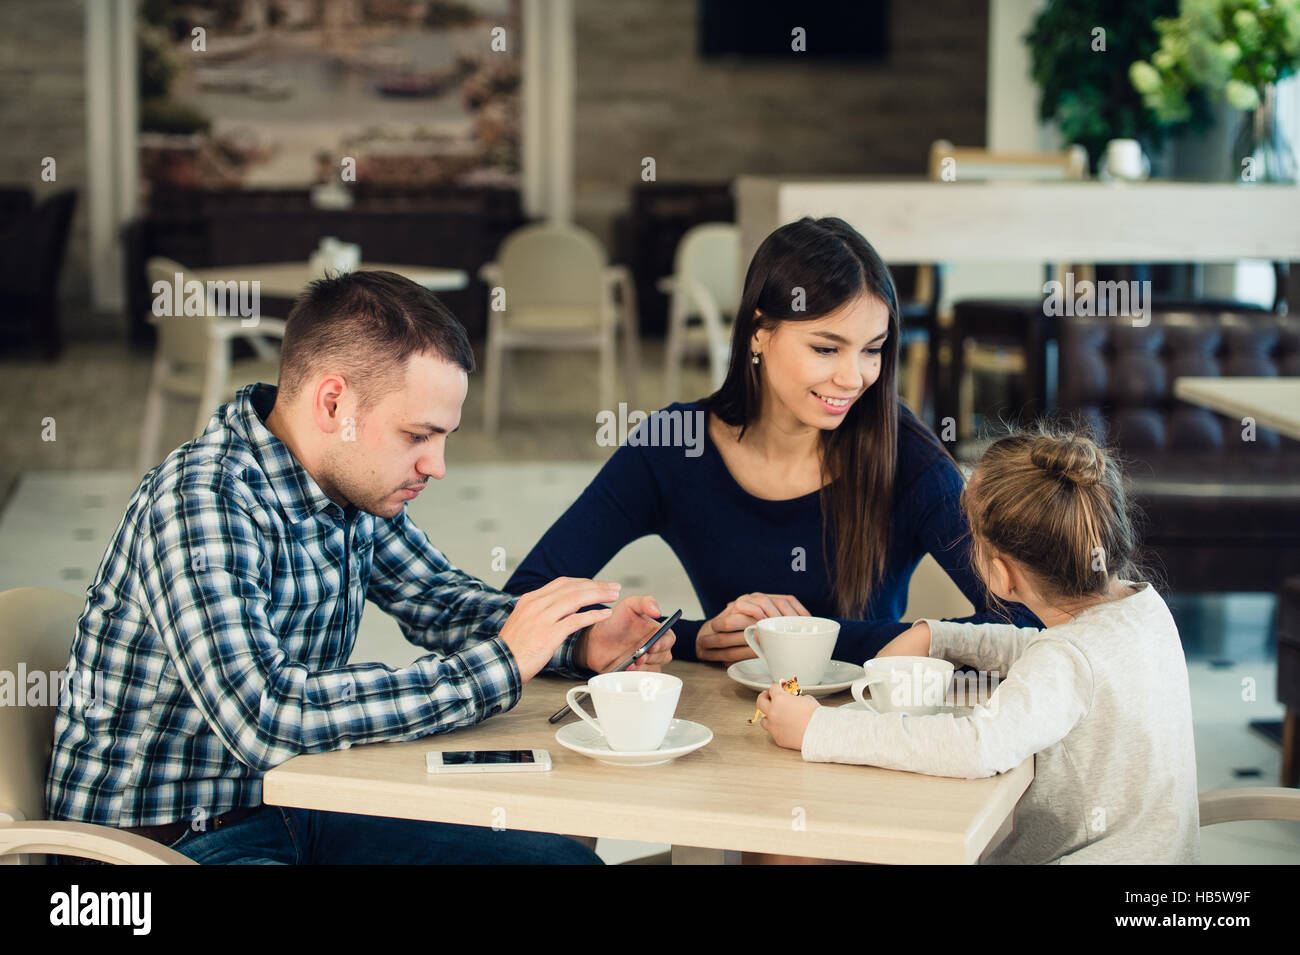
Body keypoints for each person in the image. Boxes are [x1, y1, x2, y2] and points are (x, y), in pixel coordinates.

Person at [46, 270, 672, 865]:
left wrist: (576, 640)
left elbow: (439, 599)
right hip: (162, 843)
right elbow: (268, 716)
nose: (437, 465)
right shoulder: (200, 503)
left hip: (295, 800)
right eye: (417, 436)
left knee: (558, 857)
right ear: (333, 405)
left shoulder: (348, 484)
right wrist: (499, 666)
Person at [506, 216, 1038, 668]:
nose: (854, 378)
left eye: (871, 350)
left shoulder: (906, 454)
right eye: (827, 349)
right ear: (760, 332)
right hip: (727, 733)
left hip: (867, 727)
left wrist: (804, 641)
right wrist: (696, 638)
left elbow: (1025, 623)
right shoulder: (674, 446)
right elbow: (522, 598)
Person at [758, 425, 1201, 864]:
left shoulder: (1067, 658)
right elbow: (1046, 650)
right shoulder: (1141, 606)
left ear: (1004, 575)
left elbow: (977, 746)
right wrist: (940, 636)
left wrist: (818, 728)